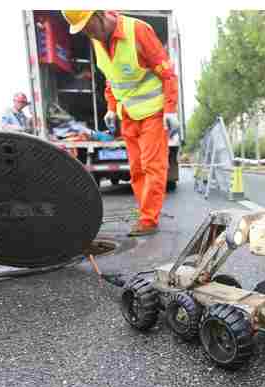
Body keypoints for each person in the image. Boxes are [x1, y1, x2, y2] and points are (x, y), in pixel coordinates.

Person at [62, 10, 179, 237]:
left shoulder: (137, 31)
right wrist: (111, 108)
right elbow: (112, 80)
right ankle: (145, 213)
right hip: (128, 116)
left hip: (153, 113)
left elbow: (167, 74)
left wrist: (171, 109)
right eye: (82, 30)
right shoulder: (97, 42)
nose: (88, 33)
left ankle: (148, 220)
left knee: (152, 167)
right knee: (136, 170)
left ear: (99, 15)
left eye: (88, 26)